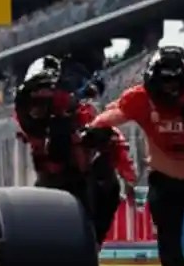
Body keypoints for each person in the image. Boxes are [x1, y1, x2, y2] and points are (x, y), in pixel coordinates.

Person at [90, 45, 184, 266]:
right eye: (164, 83)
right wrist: (93, 130)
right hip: (165, 178)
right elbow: (112, 115)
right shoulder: (140, 99)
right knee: (169, 247)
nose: (169, 90)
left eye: (175, 83)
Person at [13, 55, 136, 245]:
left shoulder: (80, 110)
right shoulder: (26, 111)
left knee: (107, 183)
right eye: (37, 99)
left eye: (48, 95)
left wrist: (126, 173)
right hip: (50, 180)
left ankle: (94, 242)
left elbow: (111, 137)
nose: (42, 104)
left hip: (80, 179)